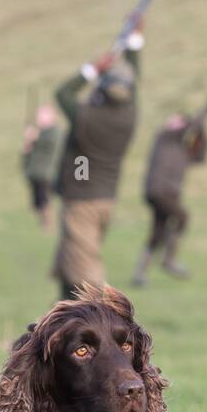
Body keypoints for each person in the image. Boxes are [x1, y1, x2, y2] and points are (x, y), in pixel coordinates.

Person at [51, 19, 143, 300]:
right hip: (105, 201)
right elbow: (132, 78)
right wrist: (134, 41)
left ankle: (103, 324)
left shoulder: (88, 119)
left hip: (82, 203)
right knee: (69, 265)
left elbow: (63, 93)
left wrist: (92, 69)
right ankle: (61, 329)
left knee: (85, 276)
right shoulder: (128, 116)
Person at [132, 113, 207, 285]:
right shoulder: (163, 138)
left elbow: (200, 155)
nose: (174, 124)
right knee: (182, 217)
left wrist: (202, 130)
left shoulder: (183, 150)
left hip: (169, 193)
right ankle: (169, 260)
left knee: (157, 232)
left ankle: (139, 274)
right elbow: (188, 126)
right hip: (158, 191)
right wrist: (200, 117)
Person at [20, 104, 62, 228]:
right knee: (37, 203)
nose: (39, 118)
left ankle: (48, 225)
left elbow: (51, 143)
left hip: (46, 173)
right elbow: (28, 154)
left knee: (45, 201)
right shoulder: (41, 132)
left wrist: (34, 137)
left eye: (43, 115)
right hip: (35, 173)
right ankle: (42, 226)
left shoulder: (54, 132)